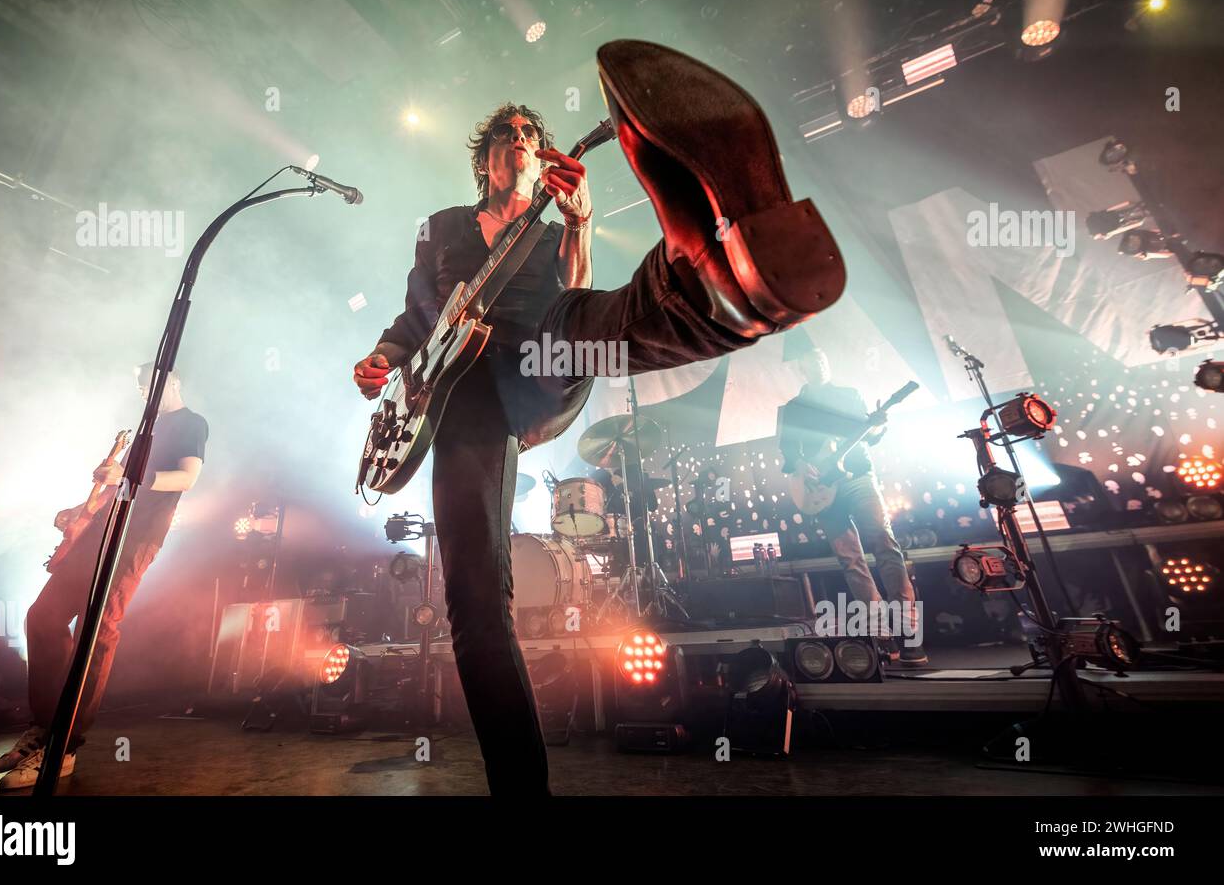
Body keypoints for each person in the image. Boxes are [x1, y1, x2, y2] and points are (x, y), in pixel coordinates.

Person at [354, 39, 845, 794]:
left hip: (541, 353)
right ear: (484, 158)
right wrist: (386, 359)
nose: (519, 143)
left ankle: (718, 262)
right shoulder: (443, 226)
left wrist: (579, 221)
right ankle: (725, 288)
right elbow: (417, 310)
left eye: (529, 135)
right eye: (506, 136)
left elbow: (573, 286)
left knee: (591, 322)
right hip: (458, 399)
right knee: (476, 601)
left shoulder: (549, 229)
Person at [0, 364, 209, 790]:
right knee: (43, 617)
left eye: (153, 386)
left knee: (101, 628)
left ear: (175, 382)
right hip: (100, 534)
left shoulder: (191, 423)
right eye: (142, 388)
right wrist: (81, 509)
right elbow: (117, 490)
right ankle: (44, 725)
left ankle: (65, 745)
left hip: (137, 538)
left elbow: (187, 478)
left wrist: (129, 476)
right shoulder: (146, 428)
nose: (147, 394)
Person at [778, 348, 927, 664]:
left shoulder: (849, 395)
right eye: (812, 358)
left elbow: (870, 436)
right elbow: (788, 452)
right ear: (802, 366)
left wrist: (878, 425)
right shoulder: (793, 408)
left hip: (858, 477)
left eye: (822, 357)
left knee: (885, 545)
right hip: (821, 488)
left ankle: (908, 632)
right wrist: (803, 465)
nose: (819, 362)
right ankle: (881, 636)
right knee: (851, 560)